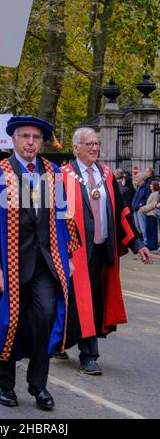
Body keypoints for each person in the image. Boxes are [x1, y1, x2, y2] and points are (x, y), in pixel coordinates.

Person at [0, 116, 80, 410]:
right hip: (10, 263)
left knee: (45, 318)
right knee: (8, 322)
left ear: (42, 141)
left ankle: (38, 385)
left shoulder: (53, 172)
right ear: (13, 139)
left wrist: (67, 256)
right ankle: (6, 385)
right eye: (24, 136)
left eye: (35, 137)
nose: (30, 142)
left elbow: (62, 215)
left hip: (46, 262)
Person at [59, 127, 151, 375]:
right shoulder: (62, 176)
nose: (94, 147)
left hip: (101, 249)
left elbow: (122, 214)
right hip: (72, 252)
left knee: (93, 301)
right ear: (76, 147)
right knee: (72, 301)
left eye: (97, 143)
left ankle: (86, 352)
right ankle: (78, 349)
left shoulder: (107, 175)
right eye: (88, 143)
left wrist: (137, 243)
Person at [139, 181, 160, 251]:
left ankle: (153, 245)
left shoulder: (157, 194)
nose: (150, 186)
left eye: (151, 185)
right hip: (148, 214)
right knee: (148, 230)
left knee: (153, 230)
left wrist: (143, 209)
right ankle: (149, 244)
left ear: (155, 186)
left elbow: (152, 205)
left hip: (152, 214)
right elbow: (148, 204)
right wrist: (144, 208)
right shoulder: (152, 193)